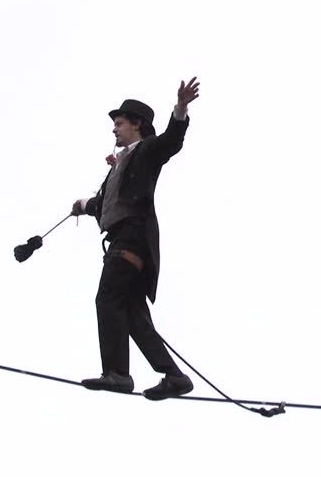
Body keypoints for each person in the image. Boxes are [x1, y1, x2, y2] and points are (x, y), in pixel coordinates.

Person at [71, 77, 200, 401]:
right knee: (132, 315)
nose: (114, 130)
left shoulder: (146, 151)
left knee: (107, 300)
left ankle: (117, 373)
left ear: (137, 126)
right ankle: (174, 377)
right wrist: (82, 205)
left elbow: (170, 141)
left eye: (119, 123)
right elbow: (103, 204)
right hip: (129, 243)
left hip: (130, 241)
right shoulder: (122, 163)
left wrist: (181, 107)